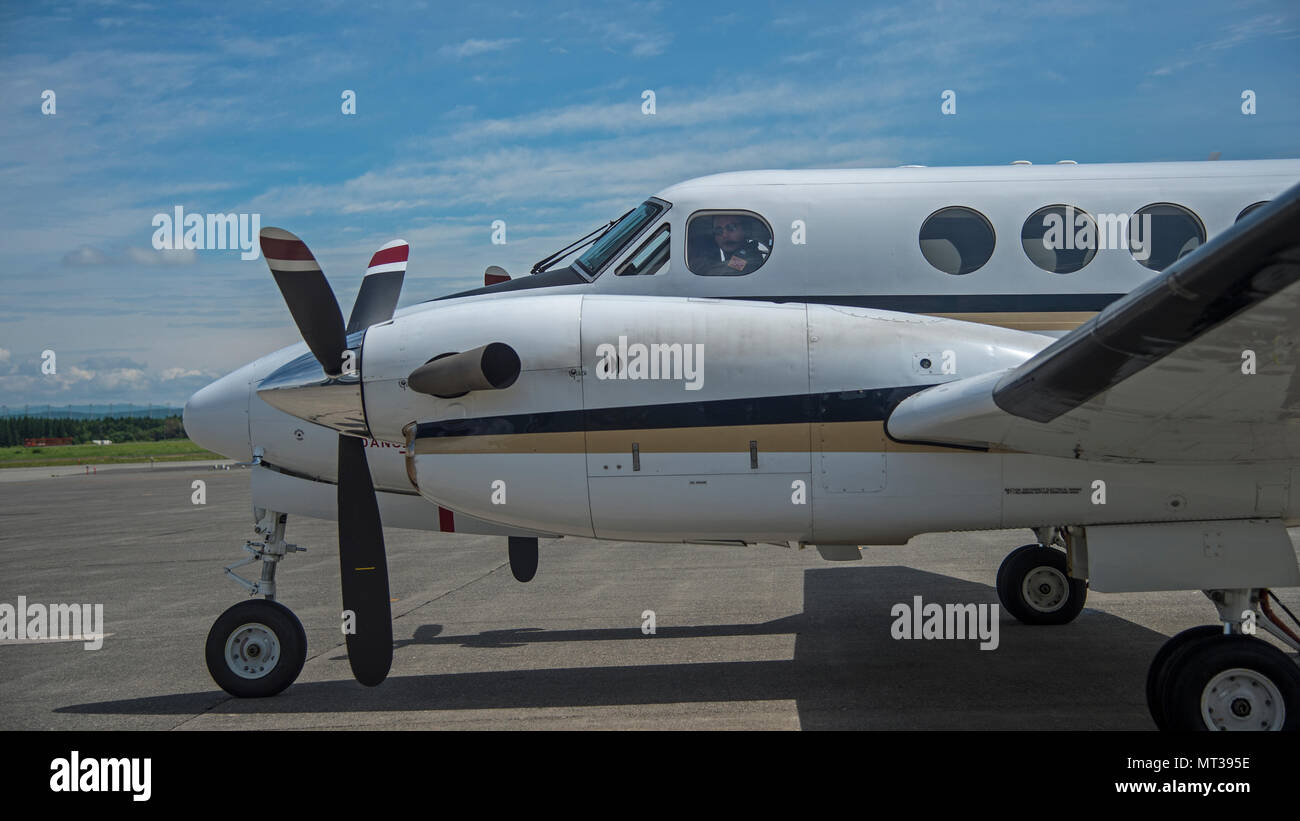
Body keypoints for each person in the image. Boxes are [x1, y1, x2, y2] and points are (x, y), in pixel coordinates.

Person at [696, 214, 769, 275]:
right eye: (718, 231)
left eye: (731, 227)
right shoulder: (732, 258)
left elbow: (730, 270)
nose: (724, 235)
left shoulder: (749, 256)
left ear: (745, 229)